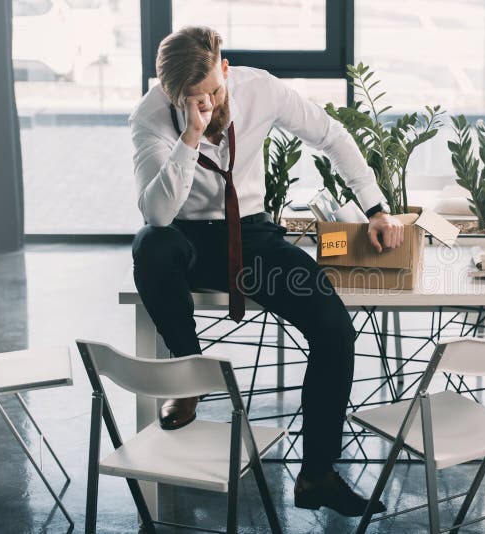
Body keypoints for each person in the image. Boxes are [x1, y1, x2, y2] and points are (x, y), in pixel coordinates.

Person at [128, 26, 403, 517]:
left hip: (251, 236)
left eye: (213, 92)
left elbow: (332, 136)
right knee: (151, 244)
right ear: (171, 95)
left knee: (335, 329)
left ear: (225, 68)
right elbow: (157, 214)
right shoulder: (150, 116)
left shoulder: (261, 88)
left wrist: (376, 208)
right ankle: (189, 376)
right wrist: (190, 136)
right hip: (184, 238)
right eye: (191, 100)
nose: (207, 105)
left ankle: (317, 476)